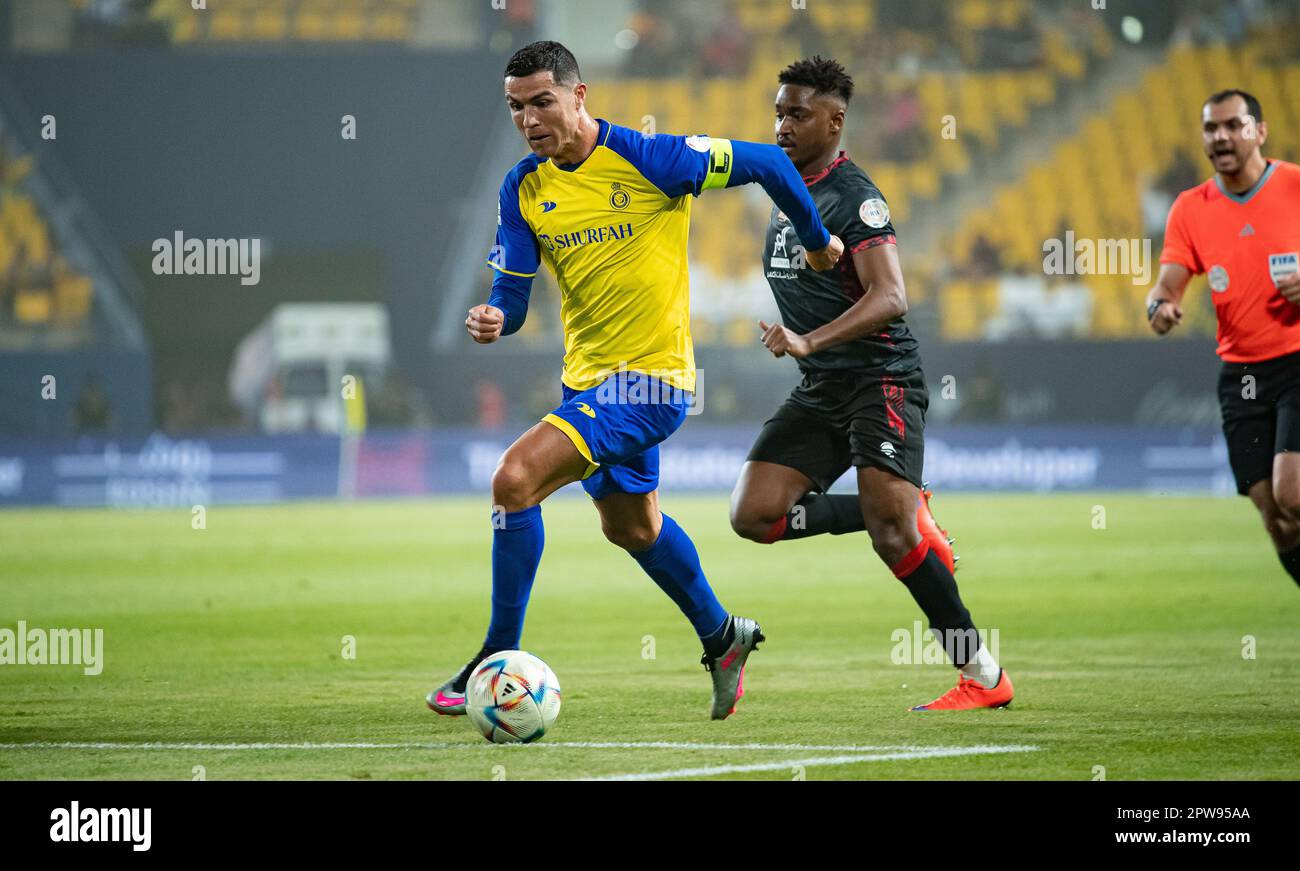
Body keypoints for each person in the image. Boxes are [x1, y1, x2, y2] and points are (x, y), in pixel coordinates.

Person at [427, 41, 844, 721]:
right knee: (632, 526)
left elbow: (768, 161)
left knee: (512, 479)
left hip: (653, 384)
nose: (528, 119)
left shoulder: (652, 159)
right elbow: (513, 294)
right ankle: (723, 635)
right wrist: (493, 317)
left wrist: (817, 236)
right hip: (586, 387)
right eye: (515, 107)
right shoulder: (523, 189)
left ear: (578, 95)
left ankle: (494, 657)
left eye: (541, 101)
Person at [730, 57, 1014, 711]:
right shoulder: (785, 189)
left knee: (894, 540)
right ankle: (898, 505)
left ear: (835, 120)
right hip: (821, 386)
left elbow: (891, 297)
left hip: (879, 377)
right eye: (778, 112)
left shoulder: (855, 196)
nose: (783, 125)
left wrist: (807, 339)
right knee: (754, 515)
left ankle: (984, 675)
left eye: (797, 114)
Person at [1147, 89, 1300, 589]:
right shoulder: (1191, 208)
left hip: (1297, 359)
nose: (1221, 137)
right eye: (1211, 128)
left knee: (1292, 492)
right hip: (1243, 375)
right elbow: (1166, 286)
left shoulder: (1295, 186)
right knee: (1276, 518)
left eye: (1234, 125)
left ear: (1260, 131)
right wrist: (1161, 307)